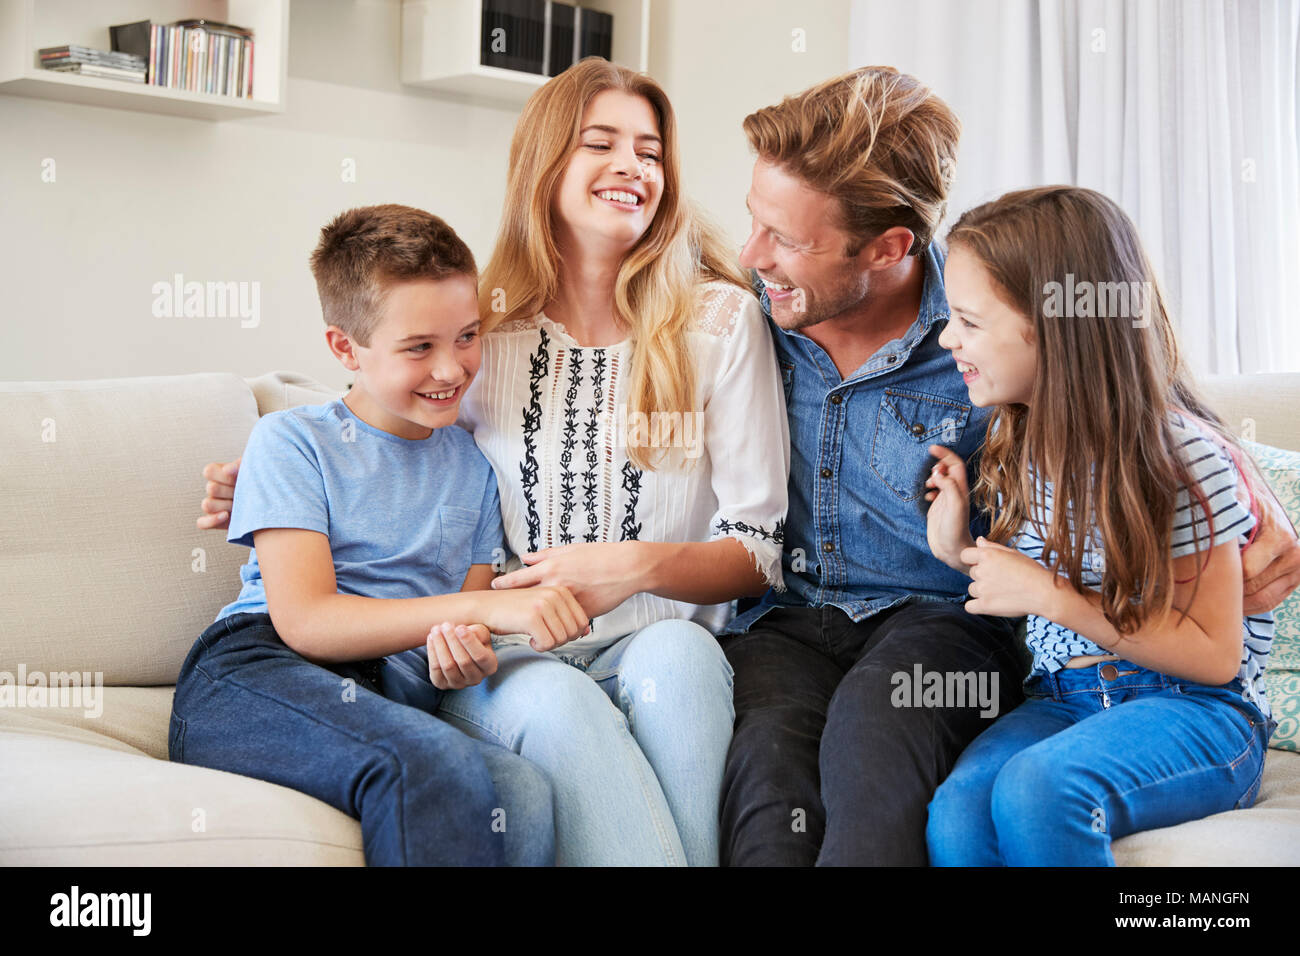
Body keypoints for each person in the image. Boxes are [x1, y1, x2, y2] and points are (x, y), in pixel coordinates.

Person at [197, 58, 791, 866]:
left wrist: (638, 566)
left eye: (650, 152)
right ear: (546, 165)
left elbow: (759, 549)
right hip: (510, 653)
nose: (632, 167)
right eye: (601, 143)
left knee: (682, 660)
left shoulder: (723, 323)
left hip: (654, 636)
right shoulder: (488, 335)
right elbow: (385, 415)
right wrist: (266, 483)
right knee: (557, 712)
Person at [719, 65, 1300, 866]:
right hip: (798, 624)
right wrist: (959, 540)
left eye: (786, 238)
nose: (753, 256)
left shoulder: (994, 336)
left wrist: (1261, 492)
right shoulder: (743, 319)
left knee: (880, 744)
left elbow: (1131, 393)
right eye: (755, 221)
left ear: (891, 247)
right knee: (785, 785)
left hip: (948, 629)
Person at [173, 203, 590, 866]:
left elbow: (459, 629)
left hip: (386, 693)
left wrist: (464, 651)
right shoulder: (291, 441)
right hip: (256, 674)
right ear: (346, 348)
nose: (452, 369)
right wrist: (480, 607)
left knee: (525, 790)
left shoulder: (477, 470)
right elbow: (307, 620)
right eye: (419, 347)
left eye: (466, 336)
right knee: (431, 761)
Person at [923, 185, 1275, 864]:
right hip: (1066, 698)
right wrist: (956, 546)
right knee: (958, 814)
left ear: (1054, 327)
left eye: (968, 320)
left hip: (1196, 711)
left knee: (1039, 788)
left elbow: (1213, 656)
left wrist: (1055, 599)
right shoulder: (1020, 440)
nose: (948, 339)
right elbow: (1028, 582)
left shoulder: (1179, 459)